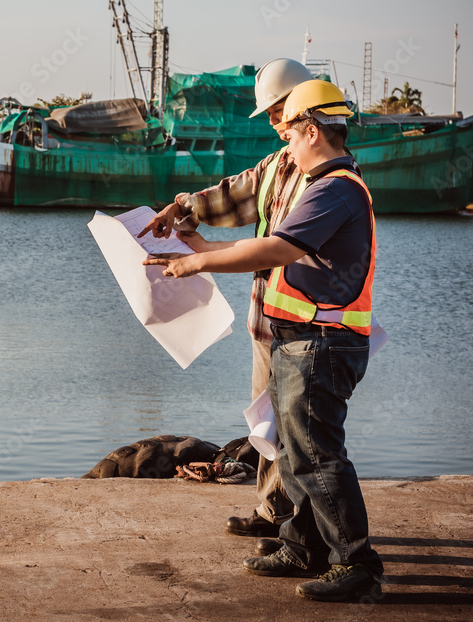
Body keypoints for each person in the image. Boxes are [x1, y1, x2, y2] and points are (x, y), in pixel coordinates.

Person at [142, 79, 382, 602]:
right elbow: (269, 246)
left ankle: (357, 563)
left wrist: (196, 261)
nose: (286, 145)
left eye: (291, 133)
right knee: (293, 452)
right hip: (299, 341)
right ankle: (304, 546)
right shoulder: (324, 183)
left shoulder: (334, 189)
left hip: (321, 344)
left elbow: (275, 249)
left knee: (317, 455)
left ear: (313, 131)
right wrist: (198, 244)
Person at [138, 58, 316, 539]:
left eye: (281, 113)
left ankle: (305, 530)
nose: (277, 124)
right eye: (274, 116)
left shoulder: (322, 179)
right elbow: (231, 193)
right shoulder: (277, 167)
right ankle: (273, 512)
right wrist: (181, 208)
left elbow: (275, 248)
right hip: (268, 321)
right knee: (268, 426)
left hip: (307, 328)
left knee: (303, 432)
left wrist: (200, 258)